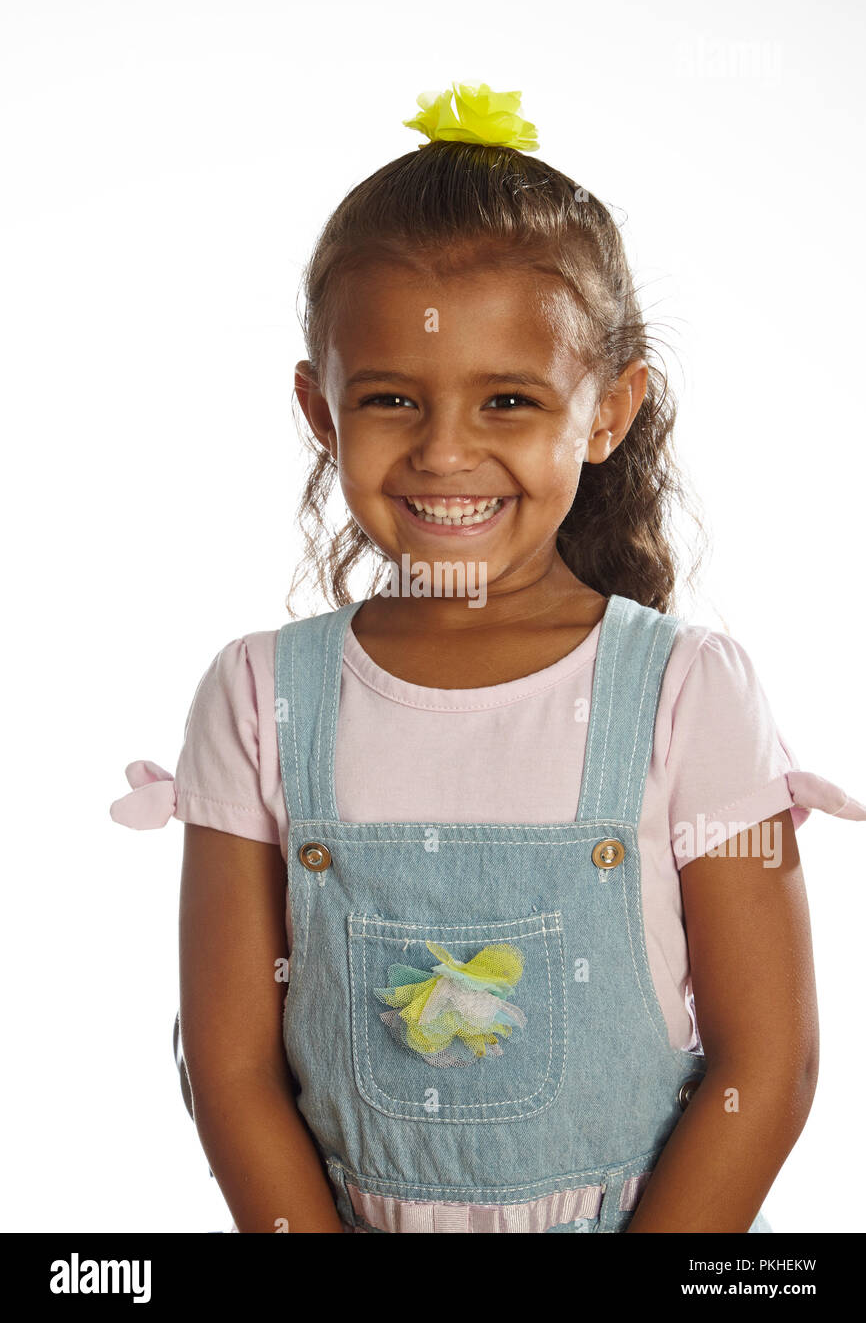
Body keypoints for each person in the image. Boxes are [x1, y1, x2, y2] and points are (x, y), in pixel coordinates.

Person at [110, 80, 865, 1234]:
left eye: (507, 399)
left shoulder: (685, 694)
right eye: (391, 399)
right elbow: (232, 1076)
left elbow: (764, 1071)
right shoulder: (259, 698)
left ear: (606, 412)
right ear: (321, 412)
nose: (444, 451)